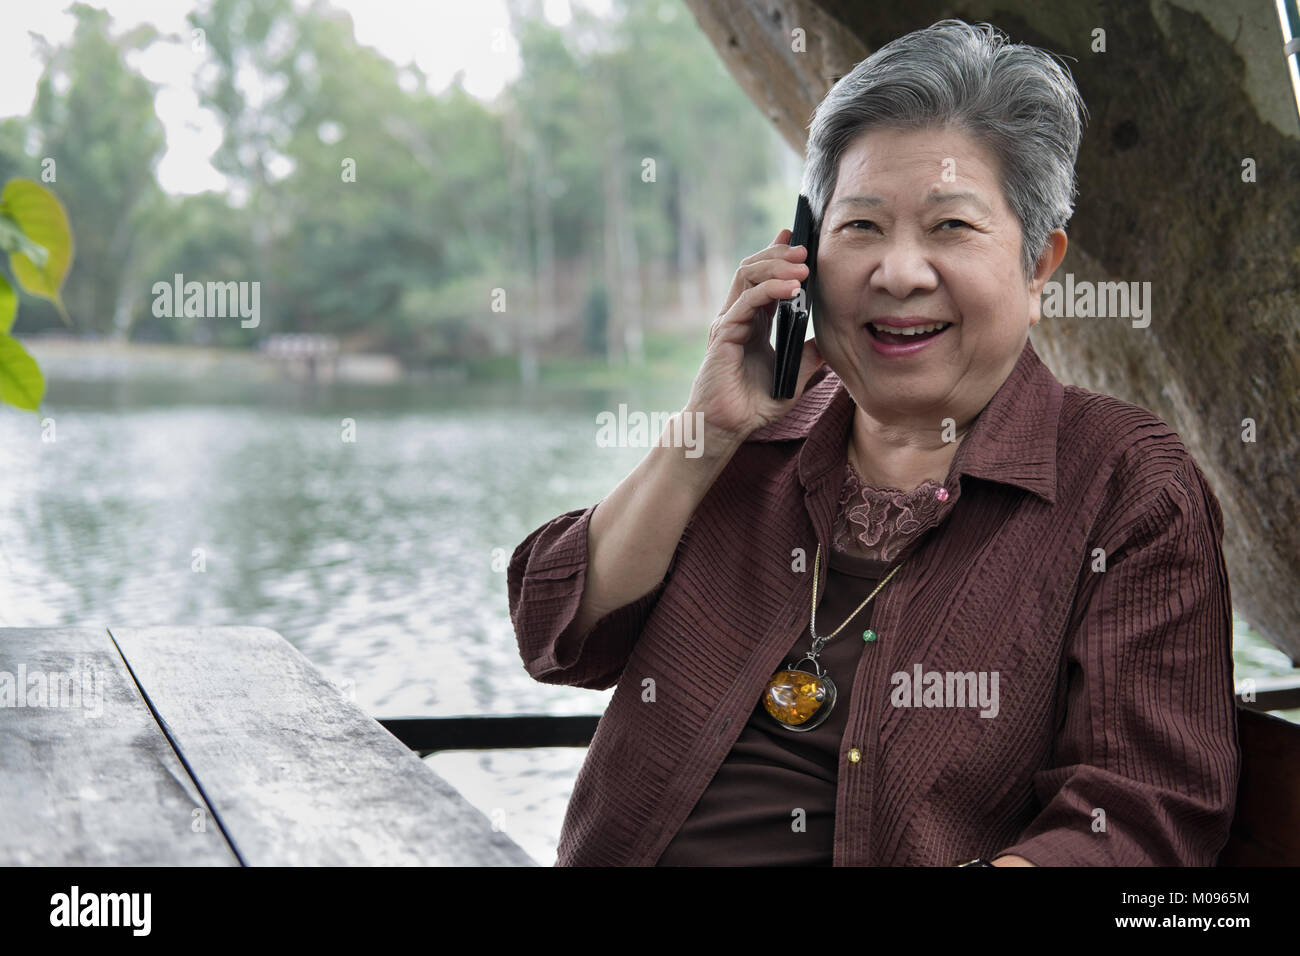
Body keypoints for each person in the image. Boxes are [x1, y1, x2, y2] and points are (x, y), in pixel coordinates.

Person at [507, 18, 1239, 866]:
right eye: (860, 228)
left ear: (1039, 266)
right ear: (804, 260)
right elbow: (556, 631)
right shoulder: (752, 433)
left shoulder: (1126, 485)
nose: (898, 273)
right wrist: (702, 437)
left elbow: (1143, 818)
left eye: (951, 228)